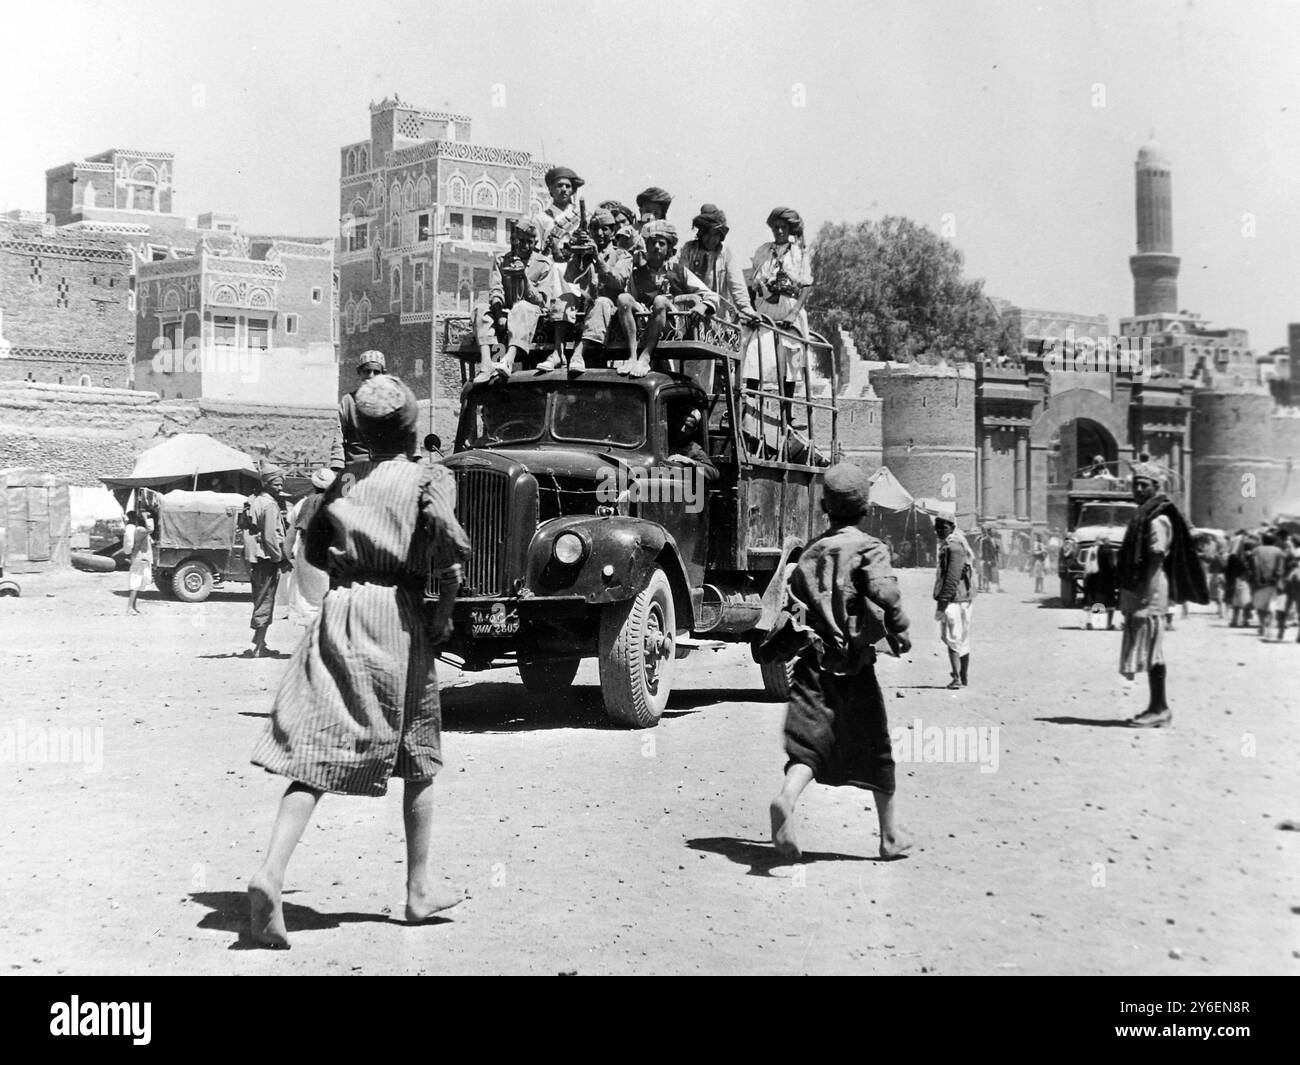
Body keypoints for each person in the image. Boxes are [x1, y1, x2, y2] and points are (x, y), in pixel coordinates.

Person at [247, 375, 472, 949]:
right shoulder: (427, 475)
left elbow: (315, 548)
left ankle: (270, 871)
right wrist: (443, 605)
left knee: (316, 749)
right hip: (396, 615)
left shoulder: (345, 480)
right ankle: (418, 889)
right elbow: (452, 546)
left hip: (339, 610)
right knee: (419, 753)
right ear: (413, 427)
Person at [760, 463, 913, 861]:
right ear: (866, 507)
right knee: (877, 751)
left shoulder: (812, 552)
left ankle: (787, 799)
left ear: (826, 507)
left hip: (813, 663)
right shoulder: (869, 547)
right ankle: (890, 836)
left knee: (807, 748)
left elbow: (793, 600)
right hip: (855, 667)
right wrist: (900, 628)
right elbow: (887, 595)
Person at [1116, 461, 1208, 727]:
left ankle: (1159, 708)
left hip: (1152, 587)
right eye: (1135, 485)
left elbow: (1156, 557)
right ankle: (1158, 707)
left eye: (1144, 485)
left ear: (1156, 487)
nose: (1138, 490)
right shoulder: (1144, 514)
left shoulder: (1157, 517)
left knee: (1153, 649)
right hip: (1143, 586)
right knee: (1149, 648)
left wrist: (1144, 592)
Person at [614, 220, 718, 378]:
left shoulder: (679, 271)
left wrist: (702, 307)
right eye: (652, 243)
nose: (656, 247)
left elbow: (711, 295)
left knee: (660, 301)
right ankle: (633, 356)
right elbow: (630, 303)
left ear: (669, 249)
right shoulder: (637, 274)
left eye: (661, 243)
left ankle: (646, 355)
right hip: (645, 326)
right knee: (623, 298)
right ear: (646, 247)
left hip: (673, 328)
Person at [536, 207, 632, 374]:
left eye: (605, 228)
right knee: (564, 297)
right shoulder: (584, 254)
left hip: (609, 312)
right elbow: (570, 278)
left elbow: (618, 282)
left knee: (601, 301)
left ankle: (578, 353)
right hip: (585, 309)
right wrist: (578, 253)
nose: (600, 233)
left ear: (613, 231)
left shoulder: (623, 255)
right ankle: (558, 352)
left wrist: (598, 258)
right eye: (595, 228)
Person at [474, 218, 559, 383]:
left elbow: (541, 301)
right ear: (513, 240)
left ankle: (509, 359)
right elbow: (496, 289)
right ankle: (486, 363)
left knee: (521, 306)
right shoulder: (501, 260)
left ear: (535, 242)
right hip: (506, 311)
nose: (525, 246)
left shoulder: (543, 264)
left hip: (531, 313)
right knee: (481, 308)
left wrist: (524, 277)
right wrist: (499, 315)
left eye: (530, 242)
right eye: (521, 241)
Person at [747, 207, 814, 388]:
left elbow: (806, 284)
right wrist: (751, 311)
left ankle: (788, 410)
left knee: (790, 363)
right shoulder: (763, 251)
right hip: (765, 311)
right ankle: (750, 405)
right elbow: (751, 283)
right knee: (756, 356)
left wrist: (793, 313)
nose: (779, 231)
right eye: (776, 227)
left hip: (789, 314)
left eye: (783, 227)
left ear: (789, 229)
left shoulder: (799, 253)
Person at [242, 463, 292, 657]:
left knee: (260, 597)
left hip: (256, 557)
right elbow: (271, 537)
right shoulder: (270, 505)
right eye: (277, 485)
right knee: (266, 598)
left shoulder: (253, 500)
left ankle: (259, 642)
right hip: (267, 558)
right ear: (268, 484)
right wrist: (280, 559)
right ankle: (258, 648)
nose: (280, 488)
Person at [283, 468, 335, 627]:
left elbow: (291, 535)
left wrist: (287, 557)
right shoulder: (337, 503)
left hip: (307, 554)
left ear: (313, 484)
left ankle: (309, 640)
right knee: (327, 597)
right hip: (329, 555)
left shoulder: (302, 503)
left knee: (305, 598)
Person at [933, 515, 975, 688]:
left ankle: (957, 677)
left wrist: (943, 600)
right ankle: (962, 677)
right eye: (937, 528)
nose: (939, 531)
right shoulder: (957, 545)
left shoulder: (952, 547)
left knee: (953, 638)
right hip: (963, 597)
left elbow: (952, 576)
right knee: (962, 638)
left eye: (942, 528)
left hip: (954, 599)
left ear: (951, 527)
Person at [330, 351, 388, 469]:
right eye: (367, 371)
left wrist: (416, 459)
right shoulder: (348, 402)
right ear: (359, 373)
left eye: (376, 372)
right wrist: (337, 465)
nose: (371, 376)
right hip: (356, 468)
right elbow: (338, 437)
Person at [536, 166, 585, 262]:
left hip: (576, 266)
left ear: (573, 191)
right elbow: (537, 249)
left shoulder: (581, 216)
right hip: (550, 267)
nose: (564, 189)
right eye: (559, 185)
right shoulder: (541, 218)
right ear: (550, 189)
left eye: (568, 186)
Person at [1247, 530, 1287, 640]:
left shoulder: (1256, 550)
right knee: (1271, 606)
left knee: (1260, 606)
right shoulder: (1279, 551)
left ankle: (1262, 625)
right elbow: (1280, 568)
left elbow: (1251, 565)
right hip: (1273, 582)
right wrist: (1277, 577)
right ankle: (1268, 626)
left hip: (1258, 582)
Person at [665, 407, 719, 484]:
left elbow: (714, 473)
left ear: (693, 430)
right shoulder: (666, 440)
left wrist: (692, 462)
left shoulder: (694, 450)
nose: (682, 429)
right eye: (681, 423)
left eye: (688, 427)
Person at [1082, 537, 1120, 630]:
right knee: (1109, 602)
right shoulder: (1108, 551)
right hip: (1106, 580)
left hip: (1093, 579)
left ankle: (1093, 623)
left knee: (1095, 600)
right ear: (1105, 541)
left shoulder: (1092, 550)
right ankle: (1108, 624)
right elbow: (1112, 566)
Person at [123, 509, 153, 615]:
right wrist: (146, 518)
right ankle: (130, 608)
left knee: (138, 583)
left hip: (141, 559)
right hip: (139, 559)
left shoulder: (138, 530)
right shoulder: (139, 530)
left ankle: (133, 607)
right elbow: (151, 529)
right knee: (135, 583)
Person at [979, 526, 1002, 593]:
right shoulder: (985, 540)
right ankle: (986, 587)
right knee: (987, 573)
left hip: (993, 558)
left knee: (994, 573)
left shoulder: (993, 539)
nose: (993, 533)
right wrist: (987, 560)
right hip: (988, 559)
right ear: (988, 532)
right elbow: (985, 551)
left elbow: (995, 549)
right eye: (991, 531)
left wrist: (997, 550)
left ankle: (997, 588)